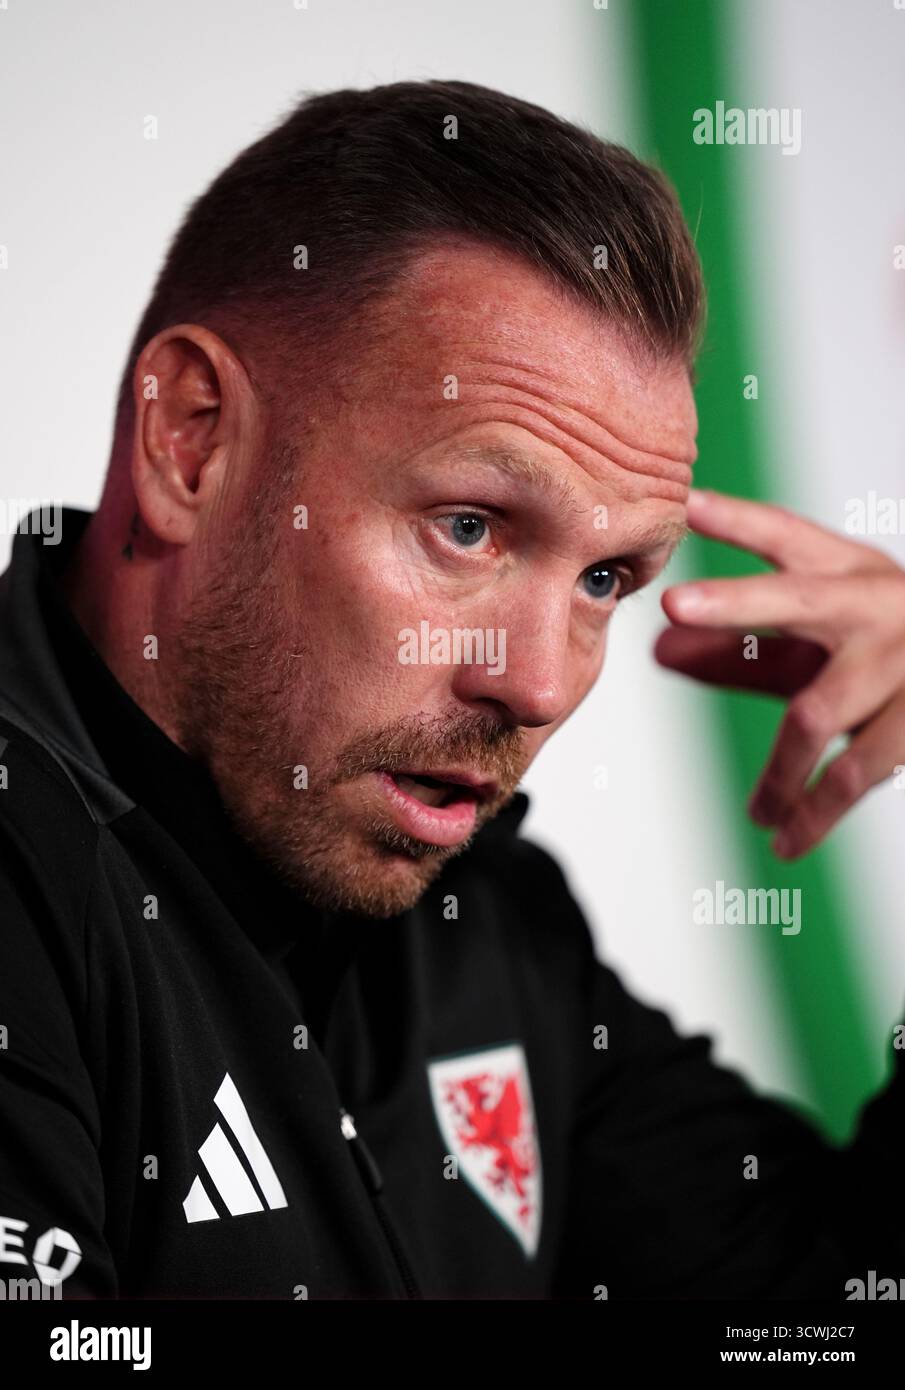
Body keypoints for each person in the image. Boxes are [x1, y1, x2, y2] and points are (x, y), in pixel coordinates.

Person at [0, 79, 902, 1301]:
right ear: (194, 438)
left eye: (603, 577)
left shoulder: (491, 922)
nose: (536, 684)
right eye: (469, 526)